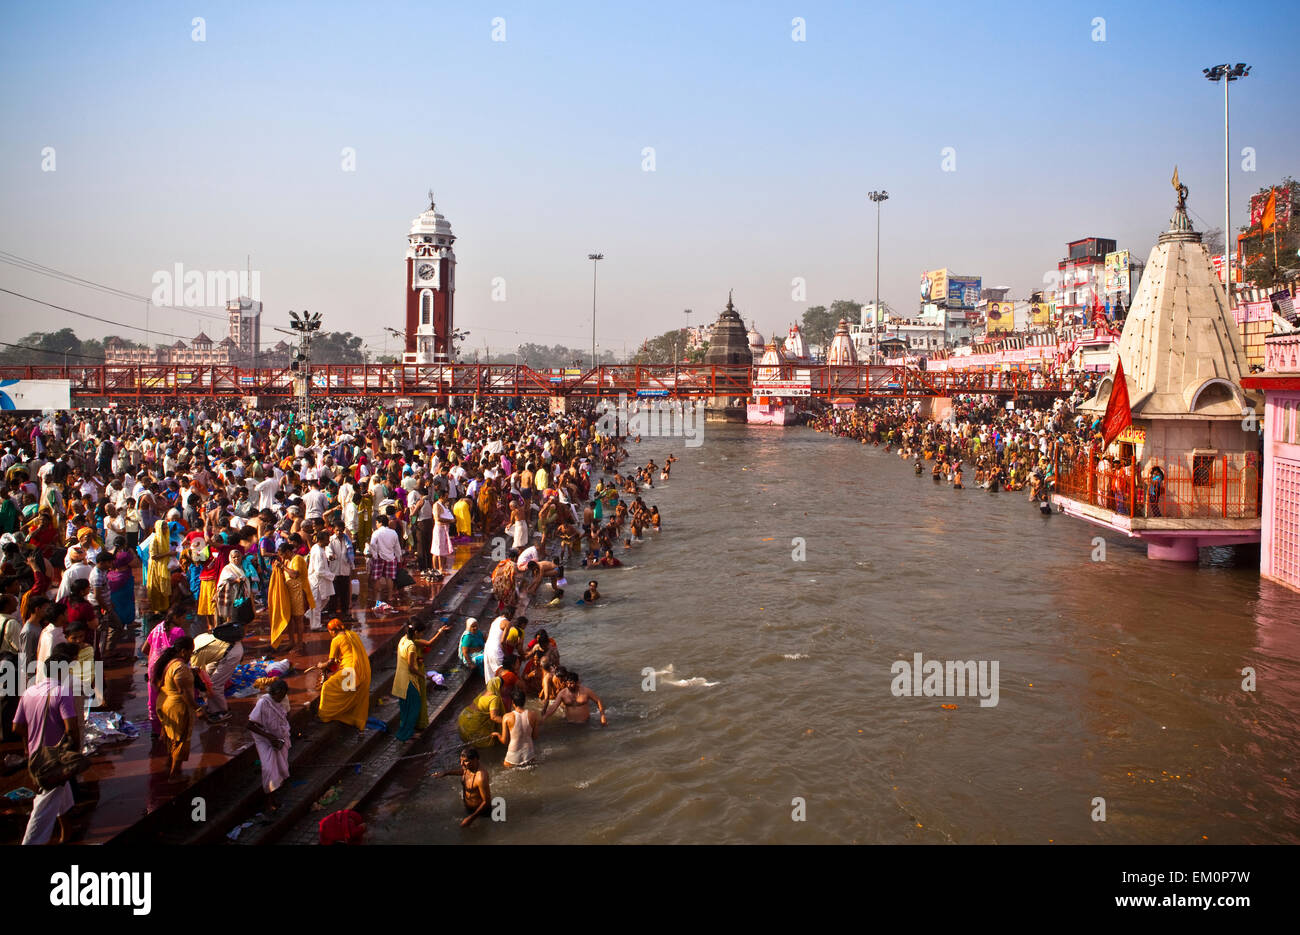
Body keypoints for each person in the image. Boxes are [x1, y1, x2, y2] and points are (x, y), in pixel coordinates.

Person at [12, 642, 82, 844]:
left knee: (63, 797)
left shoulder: (29, 692)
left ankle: (66, 832)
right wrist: (74, 752)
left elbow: (16, 727)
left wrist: (31, 740)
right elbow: (71, 728)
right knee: (43, 808)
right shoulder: (62, 692)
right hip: (55, 758)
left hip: (36, 755)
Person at [392, 621, 450, 743]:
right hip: (408, 680)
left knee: (406, 708)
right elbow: (411, 667)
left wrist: (439, 632)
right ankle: (405, 736)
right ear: (416, 632)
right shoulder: (412, 647)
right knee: (413, 707)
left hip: (400, 679)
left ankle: (408, 733)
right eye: (422, 632)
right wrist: (425, 676)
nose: (423, 634)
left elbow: (427, 643)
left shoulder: (404, 640)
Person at [317, 618, 371, 733]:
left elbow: (330, 661)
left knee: (327, 687)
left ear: (332, 631)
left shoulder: (336, 640)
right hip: (360, 669)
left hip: (349, 671)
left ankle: (326, 715)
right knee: (349, 692)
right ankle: (348, 715)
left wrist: (321, 665)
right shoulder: (352, 634)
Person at [155, 635, 197, 779]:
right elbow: (184, 692)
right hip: (178, 708)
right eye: (191, 651)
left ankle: (169, 763)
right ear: (184, 651)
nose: (192, 655)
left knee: (171, 737)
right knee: (181, 740)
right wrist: (197, 709)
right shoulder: (180, 667)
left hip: (165, 703)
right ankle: (175, 774)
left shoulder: (169, 662)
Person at [245, 678, 291, 811]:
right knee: (269, 769)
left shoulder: (282, 700)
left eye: (283, 696)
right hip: (264, 739)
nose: (281, 698)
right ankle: (269, 799)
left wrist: (284, 730)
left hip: (278, 738)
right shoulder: (263, 703)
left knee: (280, 766)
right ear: (274, 693)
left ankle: (276, 794)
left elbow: (286, 713)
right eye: (279, 696)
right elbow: (249, 725)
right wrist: (269, 737)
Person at [191, 626, 243, 723]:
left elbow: (201, 680)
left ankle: (222, 712)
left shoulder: (194, 657)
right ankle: (213, 707)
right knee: (209, 681)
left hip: (232, 653)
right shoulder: (198, 639)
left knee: (214, 685)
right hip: (228, 648)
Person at [431, 745, 491, 827]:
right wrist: (446, 773)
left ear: (475, 760)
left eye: (465, 761)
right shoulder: (468, 767)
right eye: (461, 760)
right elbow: (463, 771)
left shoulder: (481, 777)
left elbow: (486, 802)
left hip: (481, 813)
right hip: (469, 809)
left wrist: (471, 819)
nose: (461, 764)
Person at [494, 689, 538, 768]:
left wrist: (497, 735)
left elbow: (504, 741)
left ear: (513, 703)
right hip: (529, 753)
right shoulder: (534, 715)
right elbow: (535, 737)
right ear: (524, 701)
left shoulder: (507, 717)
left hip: (513, 754)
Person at [457, 675, 505, 748]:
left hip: (463, 717)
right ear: (498, 687)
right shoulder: (494, 698)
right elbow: (494, 717)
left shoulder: (483, 693)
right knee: (489, 743)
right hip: (472, 722)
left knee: (468, 743)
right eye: (503, 687)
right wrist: (508, 722)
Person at [367, 513, 402, 608]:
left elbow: (372, 544)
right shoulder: (393, 532)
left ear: (380, 523)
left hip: (379, 557)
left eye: (377, 523)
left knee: (376, 578)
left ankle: (376, 598)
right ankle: (390, 597)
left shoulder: (376, 533)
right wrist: (399, 558)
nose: (376, 524)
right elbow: (397, 547)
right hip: (391, 557)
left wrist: (374, 555)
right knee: (389, 578)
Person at [146, 518, 174, 614]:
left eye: (166, 527)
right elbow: (153, 556)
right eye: (163, 528)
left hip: (164, 565)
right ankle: (156, 609)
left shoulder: (166, 538)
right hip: (155, 566)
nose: (166, 529)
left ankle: (164, 607)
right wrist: (168, 554)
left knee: (164, 586)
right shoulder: (154, 540)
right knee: (156, 588)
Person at [431, 490, 454, 579]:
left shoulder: (444, 505)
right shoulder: (437, 505)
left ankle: (442, 568)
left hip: (444, 529)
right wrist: (450, 521)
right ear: (441, 497)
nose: (447, 498)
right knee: (438, 550)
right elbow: (437, 518)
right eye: (446, 496)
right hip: (439, 529)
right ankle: (438, 569)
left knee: (443, 549)